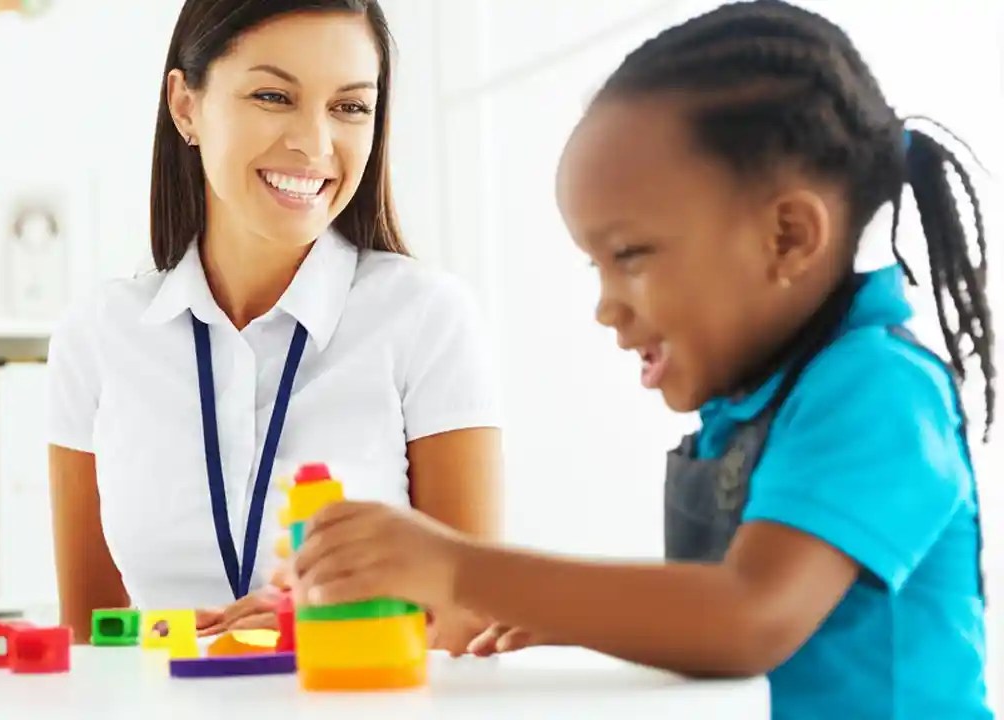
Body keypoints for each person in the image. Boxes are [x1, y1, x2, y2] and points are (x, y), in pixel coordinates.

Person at [293, 1, 992, 717]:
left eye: (629, 256)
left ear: (787, 237)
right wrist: (547, 610)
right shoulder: (756, 405)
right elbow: (709, 622)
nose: (606, 306)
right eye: (596, 265)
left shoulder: (878, 391)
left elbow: (746, 618)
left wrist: (460, 567)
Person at [47, 0, 502, 651]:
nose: (314, 144)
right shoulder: (98, 334)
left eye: (349, 107)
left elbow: (476, 619)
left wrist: (322, 634)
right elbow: (90, 640)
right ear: (186, 106)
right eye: (272, 95)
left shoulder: (426, 317)